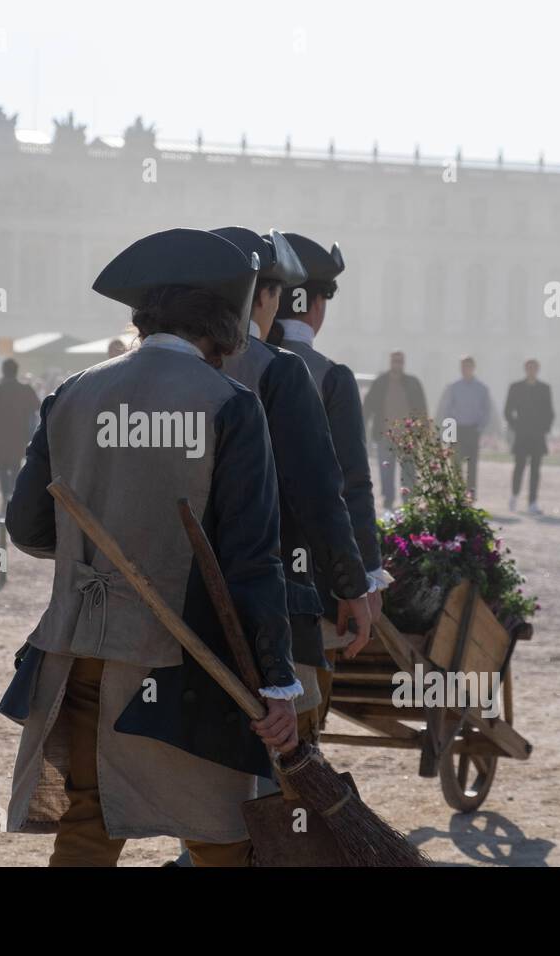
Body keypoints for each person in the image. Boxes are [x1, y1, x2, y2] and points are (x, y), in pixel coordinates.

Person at [1, 227, 296, 867]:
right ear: (224, 318)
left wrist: (100, 547)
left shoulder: (71, 393)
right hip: (190, 664)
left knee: (88, 822)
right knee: (221, 834)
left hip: (82, 649)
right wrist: (277, 681)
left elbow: (27, 528)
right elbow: (251, 559)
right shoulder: (231, 404)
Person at [213, 227, 374, 747]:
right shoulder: (318, 374)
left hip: (199, 595)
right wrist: (361, 581)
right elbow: (343, 489)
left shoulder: (202, 362)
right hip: (293, 597)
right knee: (295, 751)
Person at [271, 231, 390, 732]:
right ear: (316, 306)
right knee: (301, 722)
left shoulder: (224, 364)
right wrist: (364, 577)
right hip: (307, 582)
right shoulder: (328, 376)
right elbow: (350, 486)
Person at [361, 350, 428, 510]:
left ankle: (408, 500)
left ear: (403, 363)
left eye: (399, 361)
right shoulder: (380, 382)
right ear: (390, 362)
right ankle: (388, 499)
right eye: (394, 361)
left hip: (407, 436)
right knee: (386, 471)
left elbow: (421, 407)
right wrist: (362, 423)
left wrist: (422, 428)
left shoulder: (412, 383)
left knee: (408, 470)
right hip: (385, 434)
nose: (397, 364)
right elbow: (368, 405)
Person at [0, 358, 40, 512]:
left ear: (3, 371)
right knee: (16, 465)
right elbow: (37, 406)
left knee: (2, 467)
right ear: (16, 371)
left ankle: (5, 494)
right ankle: (14, 493)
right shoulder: (25, 390)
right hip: (19, 435)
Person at [437, 355, 492, 498]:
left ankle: (470, 494)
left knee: (472, 464)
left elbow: (487, 410)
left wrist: (480, 427)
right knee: (455, 464)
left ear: (473, 368)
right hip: (457, 429)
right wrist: (448, 432)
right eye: (462, 366)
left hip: (473, 430)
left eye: (467, 366)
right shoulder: (453, 387)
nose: (465, 369)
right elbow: (447, 409)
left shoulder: (482, 388)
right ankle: (457, 492)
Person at [504, 359, 555, 514]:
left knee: (535, 470)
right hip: (522, 433)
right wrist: (515, 426)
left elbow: (550, 412)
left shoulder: (544, 388)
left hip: (538, 434)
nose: (531, 370)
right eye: (529, 367)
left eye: (534, 368)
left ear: (537, 370)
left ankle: (532, 502)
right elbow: (507, 410)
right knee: (519, 467)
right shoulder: (516, 387)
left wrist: (545, 428)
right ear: (525, 369)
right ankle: (514, 496)